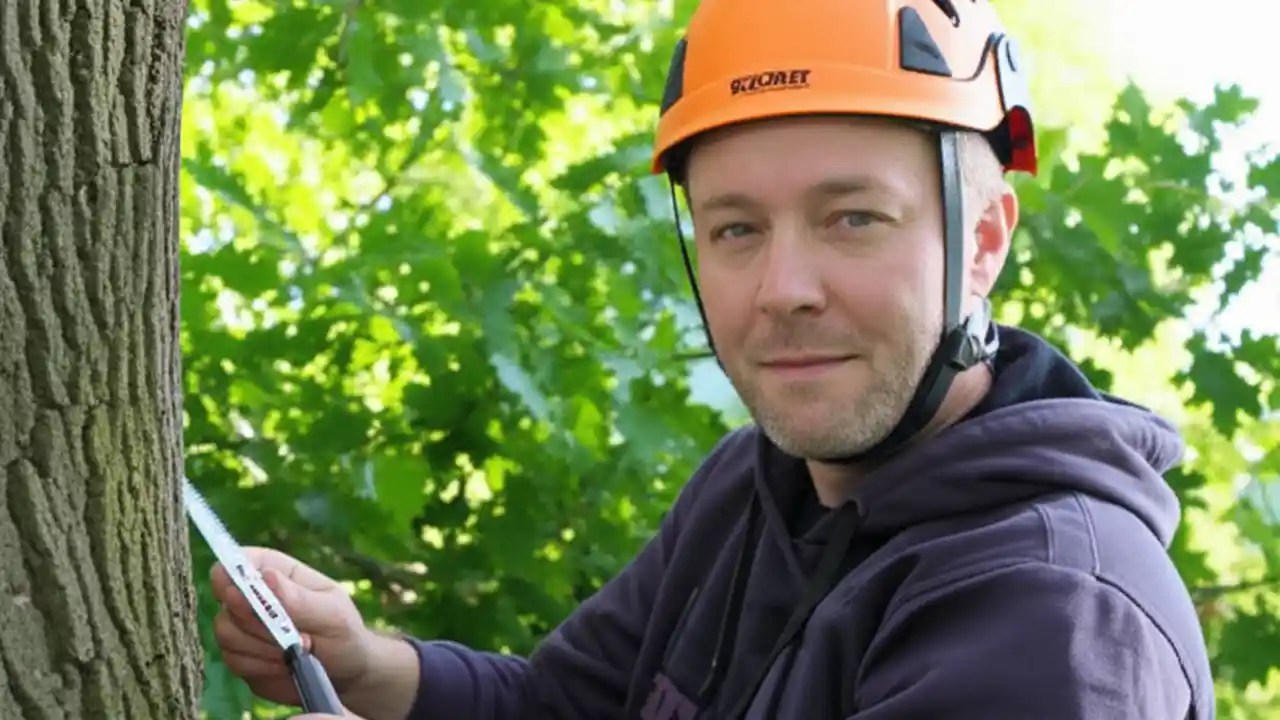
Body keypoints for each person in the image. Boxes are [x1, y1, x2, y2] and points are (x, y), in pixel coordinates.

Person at [211, 0, 1216, 717]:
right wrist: (373, 671)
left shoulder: (1052, 617)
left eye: (852, 219)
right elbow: (569, 706)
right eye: (735, 230)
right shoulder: (760, 484)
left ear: (983, 240)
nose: (783, 288)